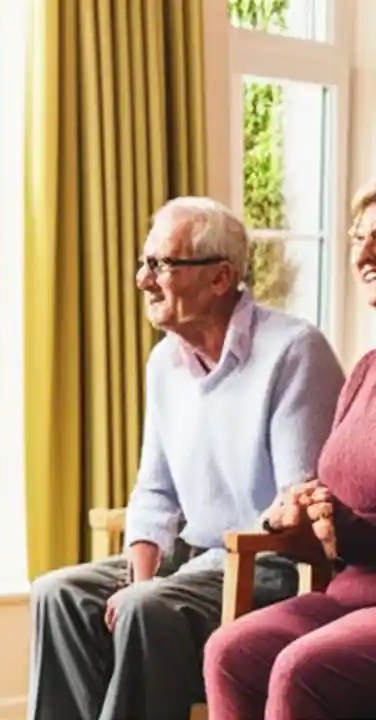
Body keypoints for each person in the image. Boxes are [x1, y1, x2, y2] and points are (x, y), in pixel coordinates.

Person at [27, 197, 347, 720]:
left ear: (220, 278)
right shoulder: (164, 365)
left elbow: (301, 507)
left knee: (142, 609)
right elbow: (155, 492)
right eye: (144, 262)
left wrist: (154, 590)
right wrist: (145, 575)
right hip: (195, 558)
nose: (142, 280)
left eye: (160, 265)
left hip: (270, 567)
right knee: (57, 594)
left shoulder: (293, 352)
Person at [203, 181, 376, 720]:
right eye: (356, 237)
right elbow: (335, 535)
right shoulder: (366, 371)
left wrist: (344, 527)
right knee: (231, 650)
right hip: (350, 592)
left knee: (302, 667)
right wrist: (302, 522)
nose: (364, 253)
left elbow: (355, 528)